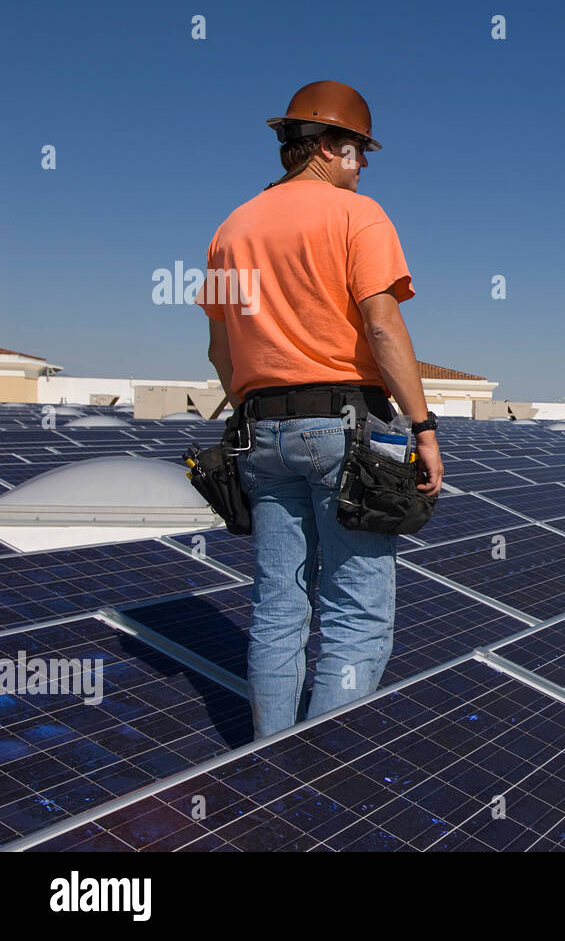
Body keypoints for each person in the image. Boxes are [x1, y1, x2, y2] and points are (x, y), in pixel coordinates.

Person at [196, 80, 443, 739]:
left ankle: (272, 756)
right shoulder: (356, 217)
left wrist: (253, 403)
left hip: (261, 430)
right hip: (343, 426)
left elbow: (221, 349)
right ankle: (319, 775)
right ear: (331, 149)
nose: (363, 166)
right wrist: (423, 426)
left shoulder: (231, 229)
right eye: (360, 152)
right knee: (356, 615)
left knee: (277, 610)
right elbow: (384, 327)